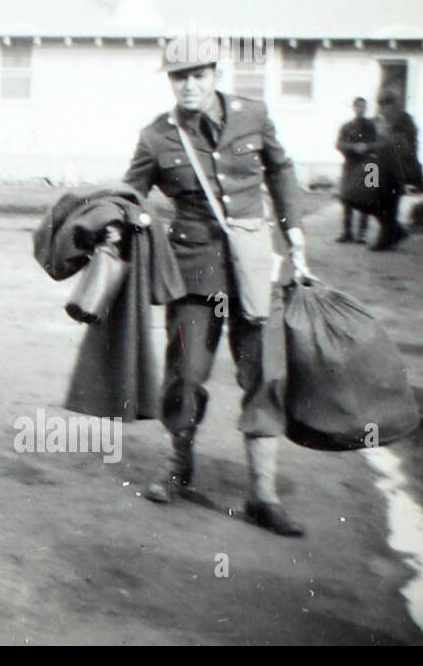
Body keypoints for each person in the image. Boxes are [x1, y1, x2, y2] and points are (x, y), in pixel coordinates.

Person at [121, 44, 313, 537]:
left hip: (252, 265)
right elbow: (131, 192)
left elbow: (280, 168)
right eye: (179, 77)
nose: (188, 85)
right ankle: (179, 466)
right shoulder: (157, 136)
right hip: (194, 272)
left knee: (266, 374)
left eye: (198, 75)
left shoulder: (254, 115)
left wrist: (292, 232)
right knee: (185, 375)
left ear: (215, 74)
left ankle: (262, 495)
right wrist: (116, 221)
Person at [366, 88, 419, 251]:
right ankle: (395, 231)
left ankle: (388, 236)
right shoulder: (380, 119)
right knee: (372, 199)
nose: (383, 108)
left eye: (386, 104)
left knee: (389, 204)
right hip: (377, 167)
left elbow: (408, 144)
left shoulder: (404, 119)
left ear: (394, 104)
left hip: (396, 168)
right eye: (381, 104)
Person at [334, 97, 376, 244]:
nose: (360, 109)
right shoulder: (347, 126)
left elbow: (379, 144)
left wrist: (367, 147)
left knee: (367, 198)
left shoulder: (372, 126)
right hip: (351, 164)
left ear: (366, 108)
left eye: (363, 107)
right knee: (347, 197)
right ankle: (347, 232)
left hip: (370, 165)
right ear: (353, 108)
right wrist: (352, 147)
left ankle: (362, 234)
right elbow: (338, 144)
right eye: (358, 106)